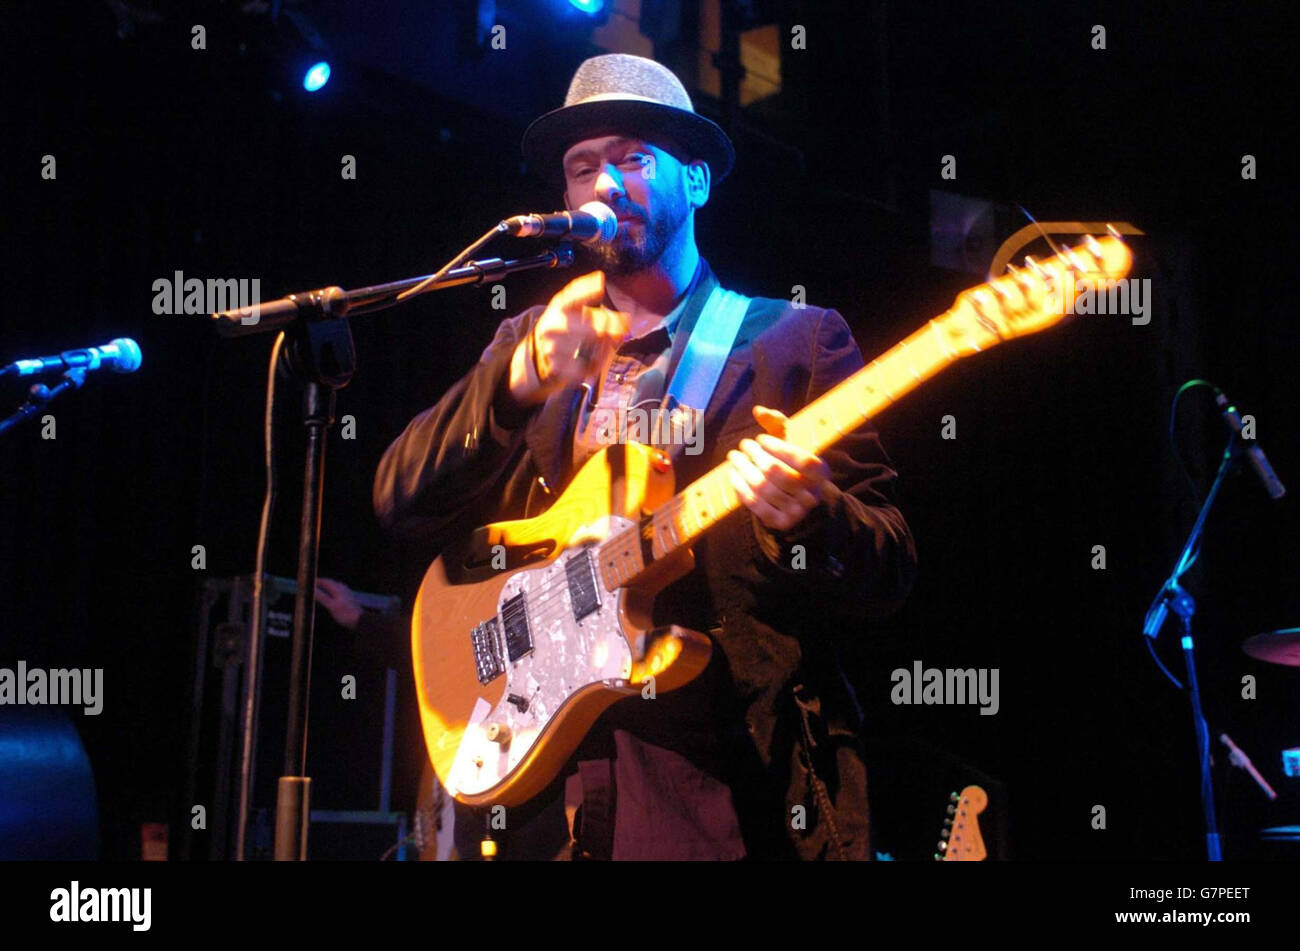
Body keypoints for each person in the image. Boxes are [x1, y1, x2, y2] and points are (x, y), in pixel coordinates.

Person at [373, 53, 916, 860]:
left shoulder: (793, 341)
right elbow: (399, 497)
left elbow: (891, 567)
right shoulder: (531, 346)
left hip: (725, 793)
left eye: (632, 157)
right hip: (545, 798)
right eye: (581, 167)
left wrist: (812, 516)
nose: (603, 184)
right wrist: (514, 385)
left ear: (696, 182)